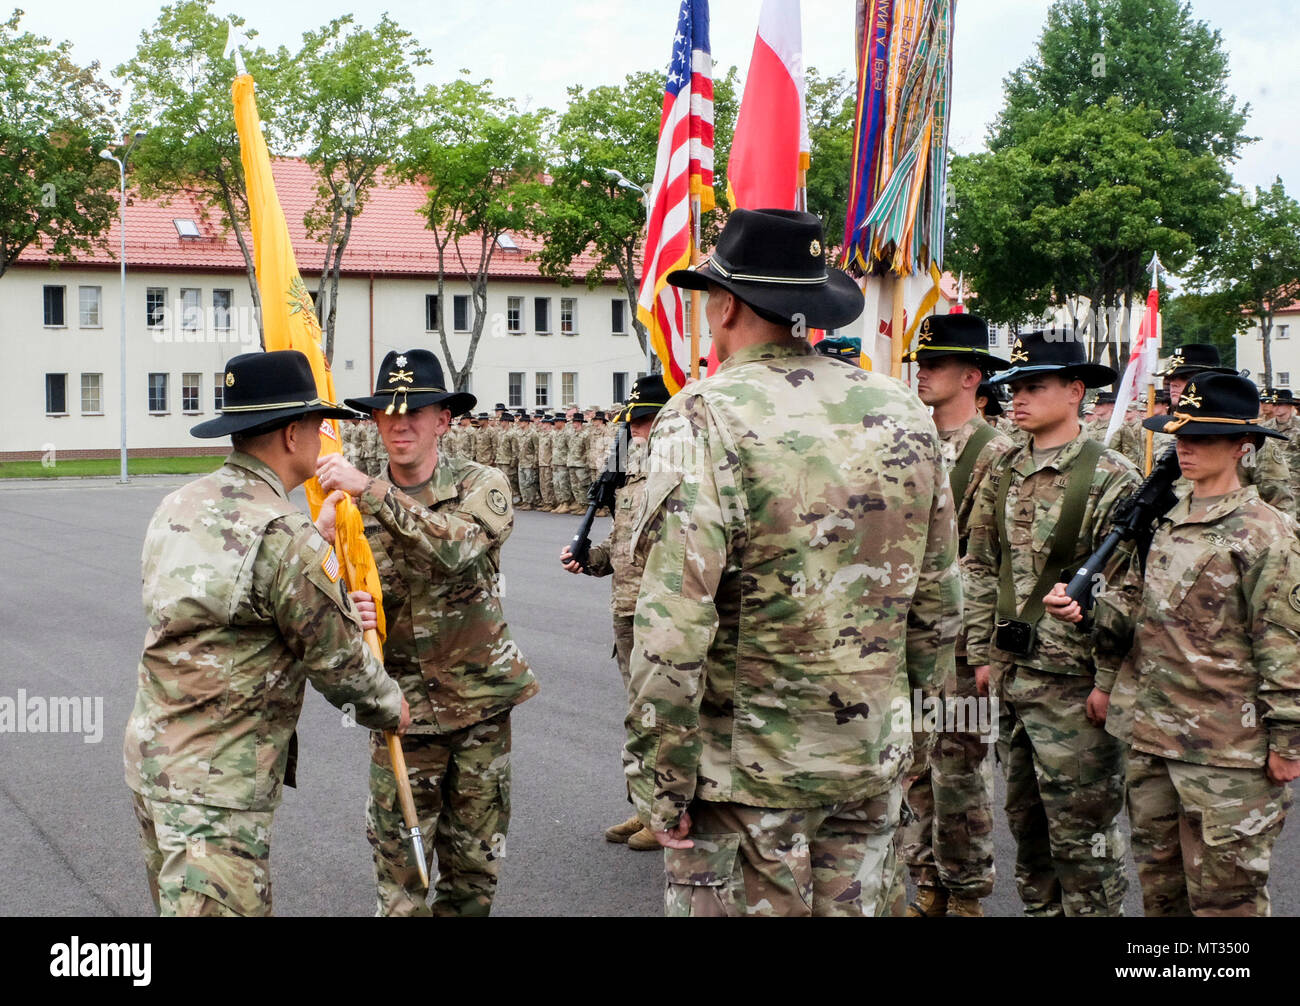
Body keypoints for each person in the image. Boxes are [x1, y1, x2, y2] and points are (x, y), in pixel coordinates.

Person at [624, 208, 961, 917]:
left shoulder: (702, 415)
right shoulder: (901, 411)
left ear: (723, 306)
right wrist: (910, 742)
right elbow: (937, 607)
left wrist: (662, 780)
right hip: (867, 758)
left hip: (746, 775)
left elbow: (671, 627)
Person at [124, 350, 409, 917]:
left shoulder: (177, 507)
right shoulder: (284, 535)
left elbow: (221, 613)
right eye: (317, 425)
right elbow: (340, 665)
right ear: (289, 434)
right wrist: (389, 704)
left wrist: (316, 579)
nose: (323, 436)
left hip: (155, 767)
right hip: (217, 788)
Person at [1047, 373, 1300, 916]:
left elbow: (1284, 646)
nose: (1184, 446)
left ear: (1242, 445)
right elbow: (1139, 612)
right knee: (1162, 894)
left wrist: (1289, 741)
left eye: (1203, 437)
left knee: (1226, 901)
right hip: (1152, 735)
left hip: (1228, 751)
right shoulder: (1163, 519)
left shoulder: (1265, 532)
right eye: (1180, 434)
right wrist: (1092, 635)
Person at [318, 349, 539, 917]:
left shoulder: (480, 484)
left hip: (479, 710)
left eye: (416, 410)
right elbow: (314, 617)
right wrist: (340, 593)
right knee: (401, 877)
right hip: (402, 712)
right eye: (387, 412)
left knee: (473, 873)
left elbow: (458, 550)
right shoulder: (346, 511)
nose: (400, 423)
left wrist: (371, 491)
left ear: (443, 418)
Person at [963, 329, 1141, 917]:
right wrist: (981, 652)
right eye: (1014, 387)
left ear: (1074, 390)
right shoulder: (1005, 464)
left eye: (1033, 386)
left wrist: (1108, 681)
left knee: (1084, 837)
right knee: (1027, 829)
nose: (1016, 398)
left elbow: (1130, 589)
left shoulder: (1112, 476)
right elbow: (982, 563)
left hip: (1074, 686)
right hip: (1015, 677)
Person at [900, 313, 1014, 918]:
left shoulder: (996, 453)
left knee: (961, 772)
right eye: (921, 361)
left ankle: (966, 891)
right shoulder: (909, 442)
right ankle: (926, 880)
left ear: (972, 376)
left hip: (965, 643)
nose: (924, 372)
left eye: (937, 364)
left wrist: (986, 649)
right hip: (913, 637)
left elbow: (1002, 560)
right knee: (916, 765)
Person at [561, 376, 668, 852]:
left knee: (663, 717)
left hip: (662, 612)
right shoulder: (630, 474)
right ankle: (646, 807)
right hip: (626, 607)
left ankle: (667, 815)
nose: (639, 430)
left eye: (647, 420)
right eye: (635, 421)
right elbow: (625, 543)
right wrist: (590, 558)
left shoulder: (680, 475)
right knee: (638, 715)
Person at [566, 412, 592, 511]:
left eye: (576, 422)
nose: (574, 424)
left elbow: (588, 449)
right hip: (572, 462)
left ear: (580, 423)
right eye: (573, 422)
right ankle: (580, 503)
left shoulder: (585, 435)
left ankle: (585, 505)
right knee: (574, 485)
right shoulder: (572, 434)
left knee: (583, 485)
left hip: (580, 464)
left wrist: (584, 460)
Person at [517, 412, 540, 511]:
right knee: (522, 483)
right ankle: (525, 500)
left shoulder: (533, 433)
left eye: (522, 421)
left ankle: (531, 502)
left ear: (527, 422)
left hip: (529, 462)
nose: (520, 423)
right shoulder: (519, 433)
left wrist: (535, 462)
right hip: (521, 461)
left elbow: (537, 449)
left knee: (529, 483)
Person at [537, 414, 557, 512]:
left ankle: (550, 502)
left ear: (549, 424)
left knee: (548, 483)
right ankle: (545, 502)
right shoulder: (542, 434)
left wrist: (552, 462)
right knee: (543, 484)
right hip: (542, 462)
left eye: (544, 423)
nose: (542, 425)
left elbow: (554, 449)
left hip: (548, 462)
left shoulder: (552, 434)